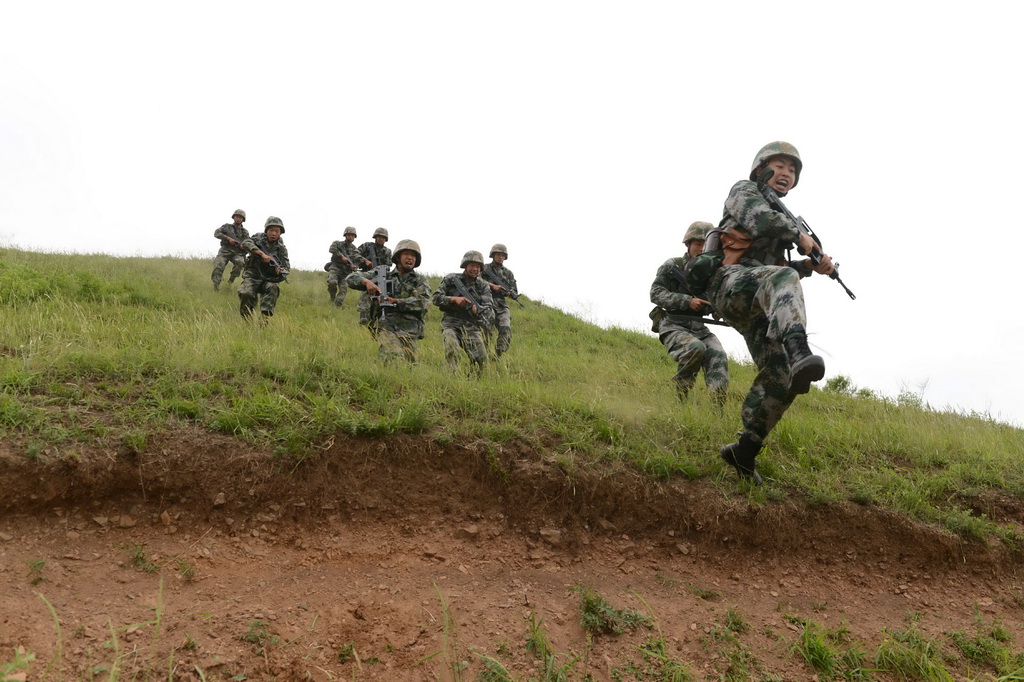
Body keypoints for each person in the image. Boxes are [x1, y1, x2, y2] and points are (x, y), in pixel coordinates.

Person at [686, 141, 835, 485]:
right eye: (780, 166)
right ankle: (800, 349)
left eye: (792, 170)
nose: (786, 173)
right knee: (782, 283)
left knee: (781, 372)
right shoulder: (744, 191)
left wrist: (813, 265)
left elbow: (778, 271)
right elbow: (760, 220)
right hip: (727, 284)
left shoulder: (784, 218)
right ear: (761, 168)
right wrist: (799, 236)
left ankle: (745, 450)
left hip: (756, 298)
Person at [649, 222, 729, 402]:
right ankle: (680, 398)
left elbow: (717, 302)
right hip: (674, 324)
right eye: (698, 244)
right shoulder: (673, 265)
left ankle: (718, 410)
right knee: (695, 348)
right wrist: (686, 301)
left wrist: (718, 310)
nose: (702, 249)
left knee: (718, 355)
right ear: (688, 244)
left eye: (706, 245)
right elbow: (655, 293)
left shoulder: (714, 275)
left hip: (700, 328)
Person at [346, 239, 431, 362]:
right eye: (406, 254)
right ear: (397, 257)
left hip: (410, 331)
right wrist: (366, 282)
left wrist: (397, 302)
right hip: (386, 326)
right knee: (393, 359)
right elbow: (350, 278)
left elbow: (423, 302)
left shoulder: (420, 280)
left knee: (409, 369)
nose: (410, 258)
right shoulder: (383, 274)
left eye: (413, 255)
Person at [432, 250, 495, 376]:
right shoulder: (451, 279)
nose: (475, 269)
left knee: (481, 360)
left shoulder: (483, 285)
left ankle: (473, 384)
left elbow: (489, 307)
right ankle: (451, 379)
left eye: (478, 266)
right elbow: (436, 298)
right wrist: (454, 300)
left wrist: (479, 309)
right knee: (452, 349)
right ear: (465, 265)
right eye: (472, 265)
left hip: (471, 325)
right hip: (451, 323)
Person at [238, 216, 290, 323]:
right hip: (253, 275)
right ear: (266, 230)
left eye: (277, 231)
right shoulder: (258, 238)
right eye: (271, 230)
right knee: (246, 293)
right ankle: (246, 321)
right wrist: (261, 254)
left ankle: (265, 319)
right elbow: (245, 243)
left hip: (269, 278)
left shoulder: (282, 249)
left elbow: (286, 266)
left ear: (280, 233)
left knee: (273, 288)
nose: (273, 233)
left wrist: (280, 270)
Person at [480, 243, 519, 359]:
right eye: (498, 254)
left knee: (505, 327)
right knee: (486, 330)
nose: (500, 257)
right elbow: (476, 280)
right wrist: (492, 286)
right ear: (493, 255)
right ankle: (484, 354)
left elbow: (514, 290)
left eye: (502, 255)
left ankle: (498, 354)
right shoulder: (484, 268)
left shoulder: (508, 273)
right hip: (485, 302)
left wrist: (509, 293)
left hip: (501, 305)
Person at [356, 228, 393, 331]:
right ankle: (363, 325)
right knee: (365, 304)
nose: (380, 239)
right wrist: (365, 261)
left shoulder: (387, 252)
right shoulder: (367, 246)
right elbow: (355, 253)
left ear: (386, 239)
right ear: (375, 237)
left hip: (381, 278)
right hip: (368, 277)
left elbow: (388, 266)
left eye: (383, 237)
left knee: (381, 302)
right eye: (379, 237)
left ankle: (376, 326)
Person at [211, 209, 250, 291]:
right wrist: (228, 238)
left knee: (240, 262)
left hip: (237, 253)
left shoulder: (245, 232)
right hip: (225, 250)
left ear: (243, 219)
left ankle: (230, 282)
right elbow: (216, 233)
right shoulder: (226, 227)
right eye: (236, 216)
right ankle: (216, 286)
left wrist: (243, 246)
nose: (238, 218)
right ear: (233, 217)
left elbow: (248, 243)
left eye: (240, 217)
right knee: (219, 265)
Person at [326, 226, 362, 307]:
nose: (350, 237)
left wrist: (354, 266)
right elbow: (331, 249)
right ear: (345, 235)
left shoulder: (355, 250)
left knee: (343, 291)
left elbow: (357, 261)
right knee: (332, 282)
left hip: (346, 273)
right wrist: (341, 256)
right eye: (349, 235)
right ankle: (332, 298)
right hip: (335, 268)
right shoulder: (338, 244)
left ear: (354, 237)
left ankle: (336, 307)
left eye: (352, 235)